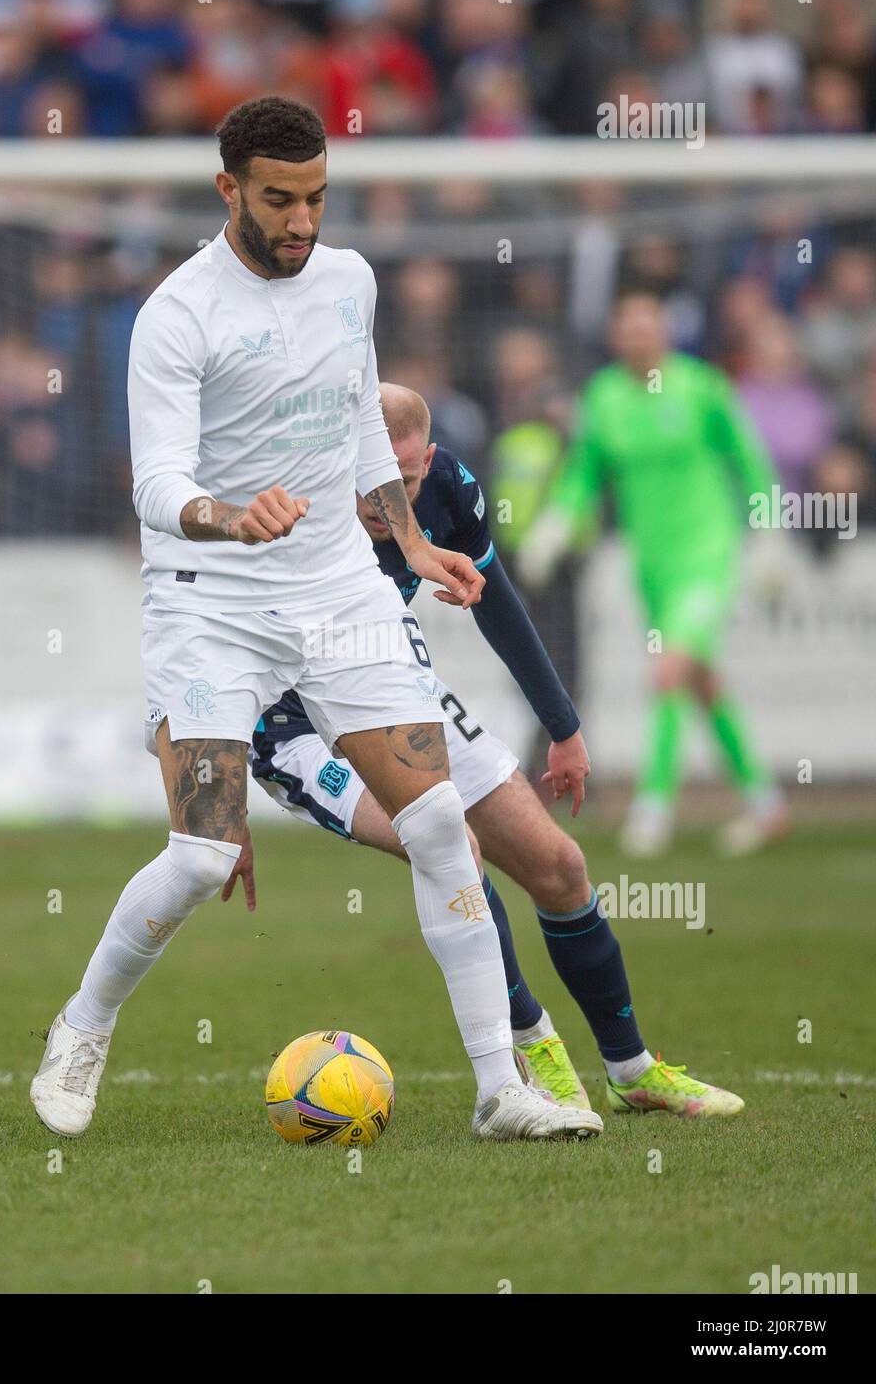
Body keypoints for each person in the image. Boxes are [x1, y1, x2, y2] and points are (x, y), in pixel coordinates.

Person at [30, 96, 601, 1143]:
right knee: (202, 855)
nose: (301, 221)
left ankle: (498, 1089)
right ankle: (83, 1024)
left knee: (441, 824)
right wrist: (229, 515)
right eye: (278, 200)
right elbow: (154, 484)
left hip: (340, 592)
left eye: (317, 199)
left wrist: (410, 541)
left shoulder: (350, 282)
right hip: (211, 603)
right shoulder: (177, 314)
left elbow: (359, 428)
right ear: (228, 190)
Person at [241, 383, 745, 1119]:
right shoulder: (293, 507)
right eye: (372, 481)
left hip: (389, 687)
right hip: (292, 726)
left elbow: (498, 604)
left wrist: (563, 727)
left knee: (561, 867)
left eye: (403, 480)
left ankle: (632, 1070)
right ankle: (536, 1058)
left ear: (427, 460)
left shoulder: (450, 488)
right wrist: (216, 805)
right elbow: (210, 643)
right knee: (453, 847)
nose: (386, 501)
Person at [520, 292, 788, 857]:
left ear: (664, 332)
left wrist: (768, 532)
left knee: (668, 673)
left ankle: (653, 807)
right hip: (652, 567)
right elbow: (583, 473)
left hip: (707, 554)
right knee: (700, 682)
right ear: (616, 337)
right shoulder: (604, 398)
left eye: (648, 327)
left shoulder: (702, 388)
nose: (639, 338)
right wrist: (556, 523)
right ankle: (765, 804)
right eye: (629, 329)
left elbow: (750, 461)